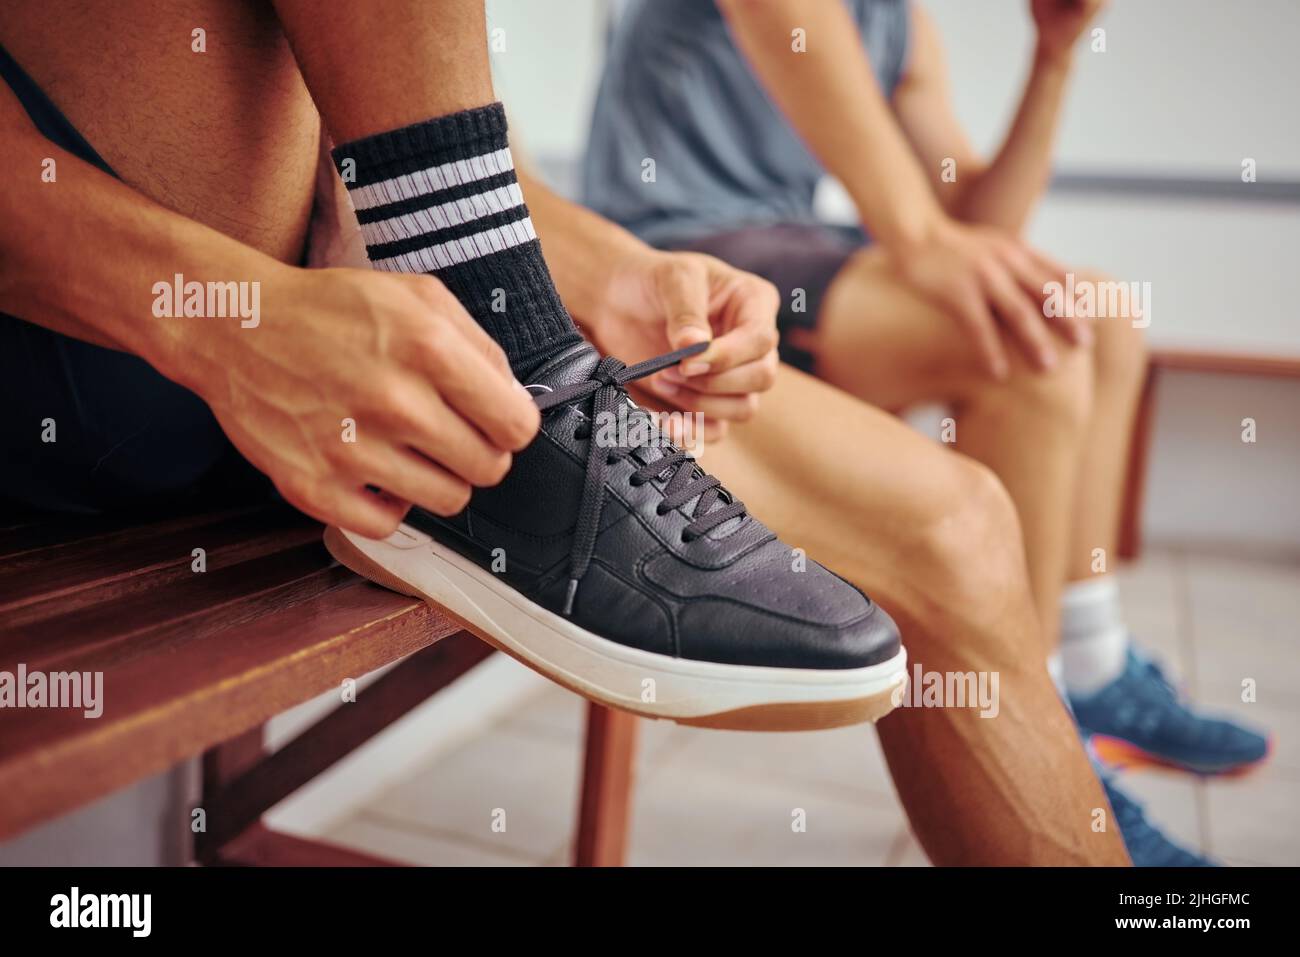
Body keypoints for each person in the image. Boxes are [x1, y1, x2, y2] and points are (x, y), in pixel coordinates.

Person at [3, 0, 1126, 864]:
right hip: (101, 337)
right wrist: (232, 325)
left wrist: (619, 273)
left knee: (957, 523)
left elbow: (461, 177)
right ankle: (508, 352)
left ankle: (1088, 734)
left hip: (388, 339)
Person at [582, 0, 1267, 845]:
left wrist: (1054, 57)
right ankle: (1053, 736)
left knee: (1103, 317)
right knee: (1030, 352)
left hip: (798, 244)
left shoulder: (901, 25)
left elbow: (975, 224)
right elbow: (922, 234)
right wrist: (920, 236)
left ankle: (1091, 661)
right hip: (670, 253)